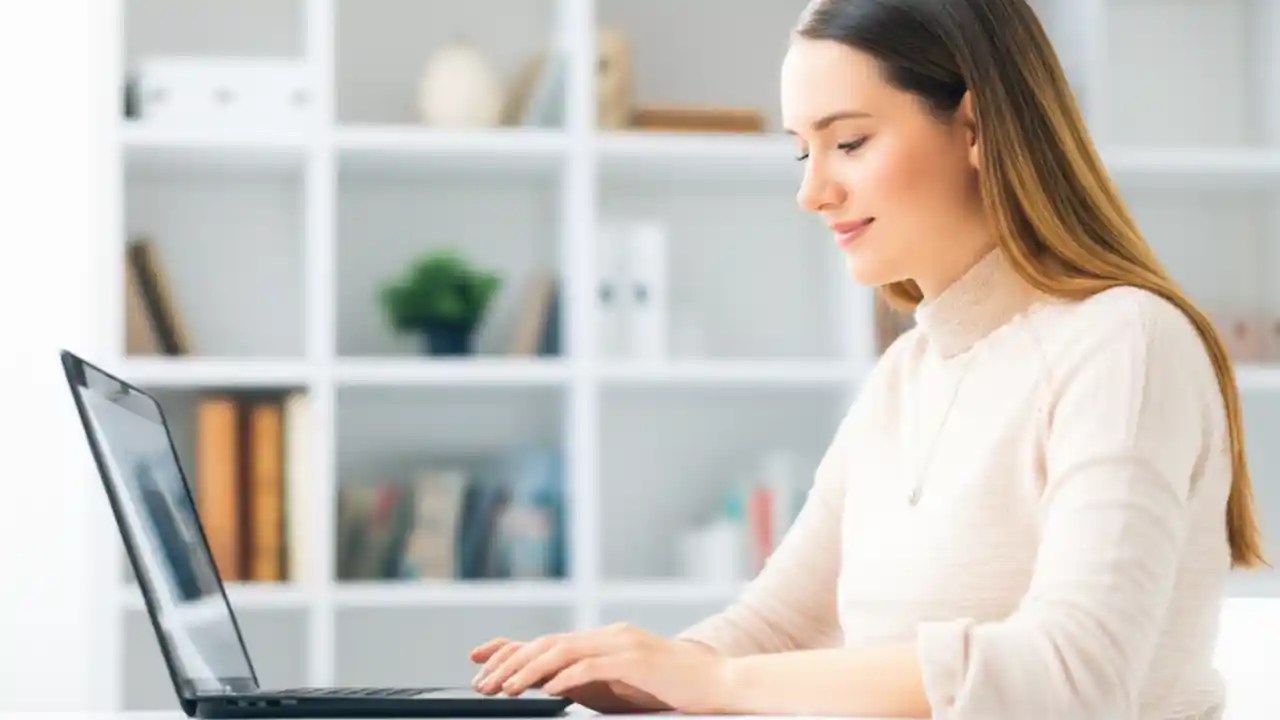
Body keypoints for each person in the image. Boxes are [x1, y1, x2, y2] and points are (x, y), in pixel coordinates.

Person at [466, 0, 1270, 717]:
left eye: (848, 141)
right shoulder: (907, 376)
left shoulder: (1125, 341)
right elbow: (778, 626)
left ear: (977, 126)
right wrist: (633, 675)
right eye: (801, 152)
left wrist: (713, 686)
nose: (813, 191)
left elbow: (1074, 680)